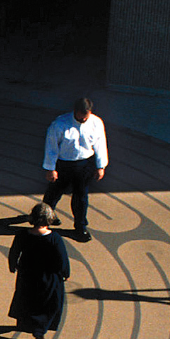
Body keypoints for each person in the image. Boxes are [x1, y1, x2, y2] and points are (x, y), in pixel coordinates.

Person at [41, 97, 108, 243]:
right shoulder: (59, 124)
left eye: (86, 116)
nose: (83, 119)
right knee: (53, 194)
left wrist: (100, 165)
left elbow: (100, 144)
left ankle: (80, 226)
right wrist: (51, 168)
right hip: (63, 164)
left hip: (84, 165)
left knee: (81, 197)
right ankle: (43, 219)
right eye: (81, 116)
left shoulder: (96, 123)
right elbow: (51, 147)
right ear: (75, 112)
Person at [7, 203, 70, 339]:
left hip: (27, 274)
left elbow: (14, 252)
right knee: (49, 303)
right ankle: (39, 329)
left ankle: (24, 323)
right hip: (49, 277)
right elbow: (62, 259)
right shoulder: (55, 238)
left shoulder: (23, 235)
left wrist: (13, 265)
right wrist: (65, 273)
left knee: (26, 299)